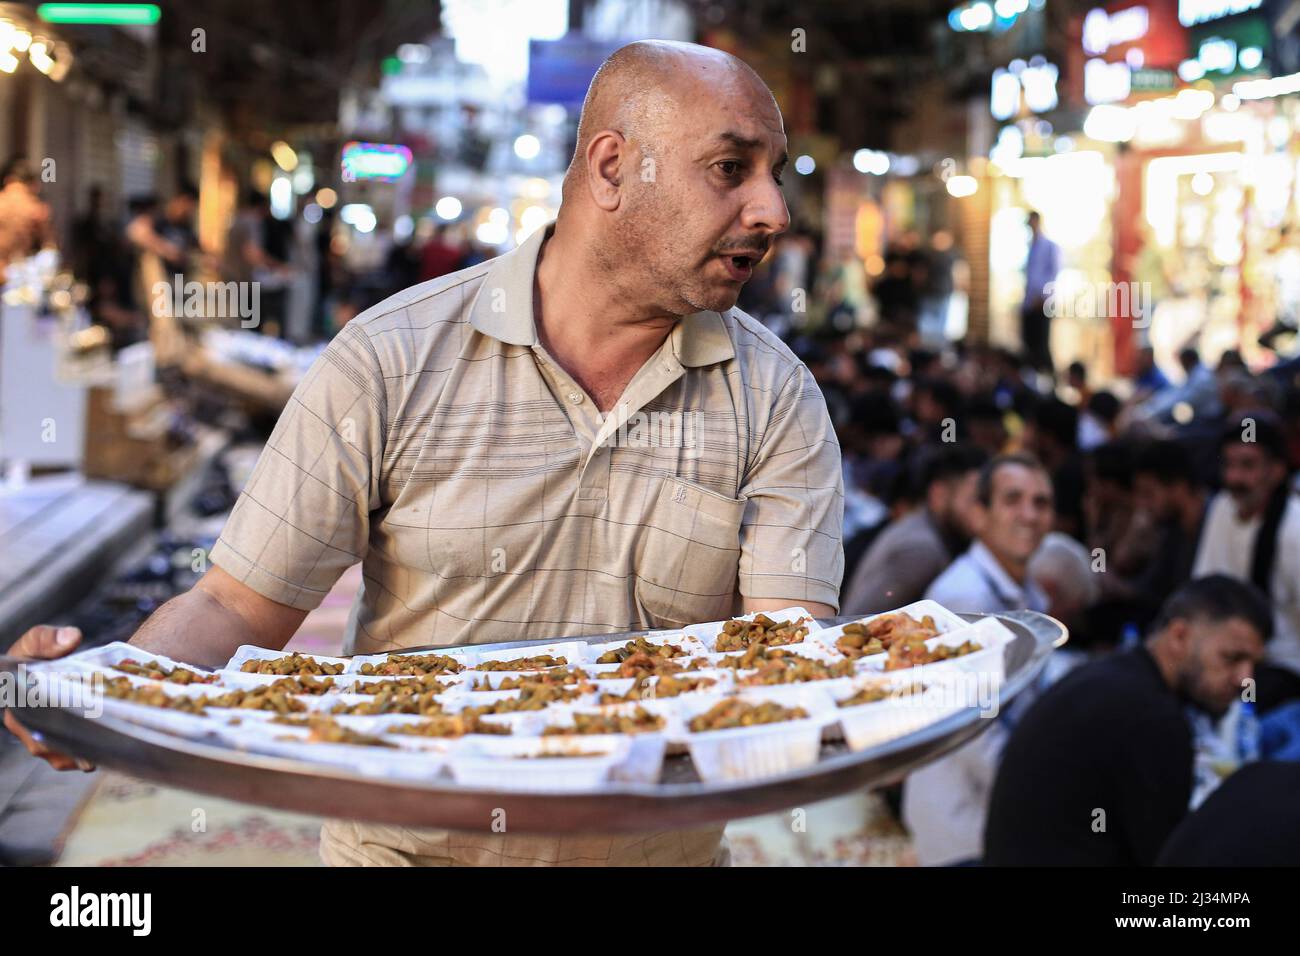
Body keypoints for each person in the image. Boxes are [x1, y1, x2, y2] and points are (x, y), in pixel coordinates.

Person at [5, 39, 843, 868]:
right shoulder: (389, 357)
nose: (772, 211)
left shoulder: (775, 398)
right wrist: (105, 690)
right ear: (613, 167)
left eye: (776, 175)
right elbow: (234, 607)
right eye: (732, 169)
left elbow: (782, 657)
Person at [985, 575, 1271, 866]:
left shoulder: (1110, 677)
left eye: (1254, 665)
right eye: (1232, 658)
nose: (1245, 679)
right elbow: (1168, 858)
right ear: (1179, 636)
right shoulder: (1151, 716)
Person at [901, 453, 1055, 866]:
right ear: (980, 514)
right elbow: (974, 728)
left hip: (988, 814)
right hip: (962, 822)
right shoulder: (965, 597)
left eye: (1041, 503)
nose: (1029, 514)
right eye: (1013, 499)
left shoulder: (1026, 590)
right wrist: (1039, 793)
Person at [1192, 411, 1300, 688]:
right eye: (1229, 465)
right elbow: (1204, 587)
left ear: (1275, 471)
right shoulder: (1222, 507)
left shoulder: (1293, 529)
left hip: (1282, 665)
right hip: (1224, 652)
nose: (1234, 477)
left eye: (1248, 465)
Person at [841, 444, 987, 615]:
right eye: (974, 500)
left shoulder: (926, 530)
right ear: (938, 494)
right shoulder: (922, 549)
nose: (982, 512)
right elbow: (858, 624)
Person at [0, 156, 56, 284]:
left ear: (7, 180)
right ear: (33, 185)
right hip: (16, 279)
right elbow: (49, 247)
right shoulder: (36, 209)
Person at [1020, 211, 1060, 376]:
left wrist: (1042, 296)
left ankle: (1049, 379)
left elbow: (1053, 273)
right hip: (1030, 302)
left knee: (1042, 344)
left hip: (1042, 302)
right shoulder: (1031, 246)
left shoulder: (1049, 246)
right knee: (1029, 344)